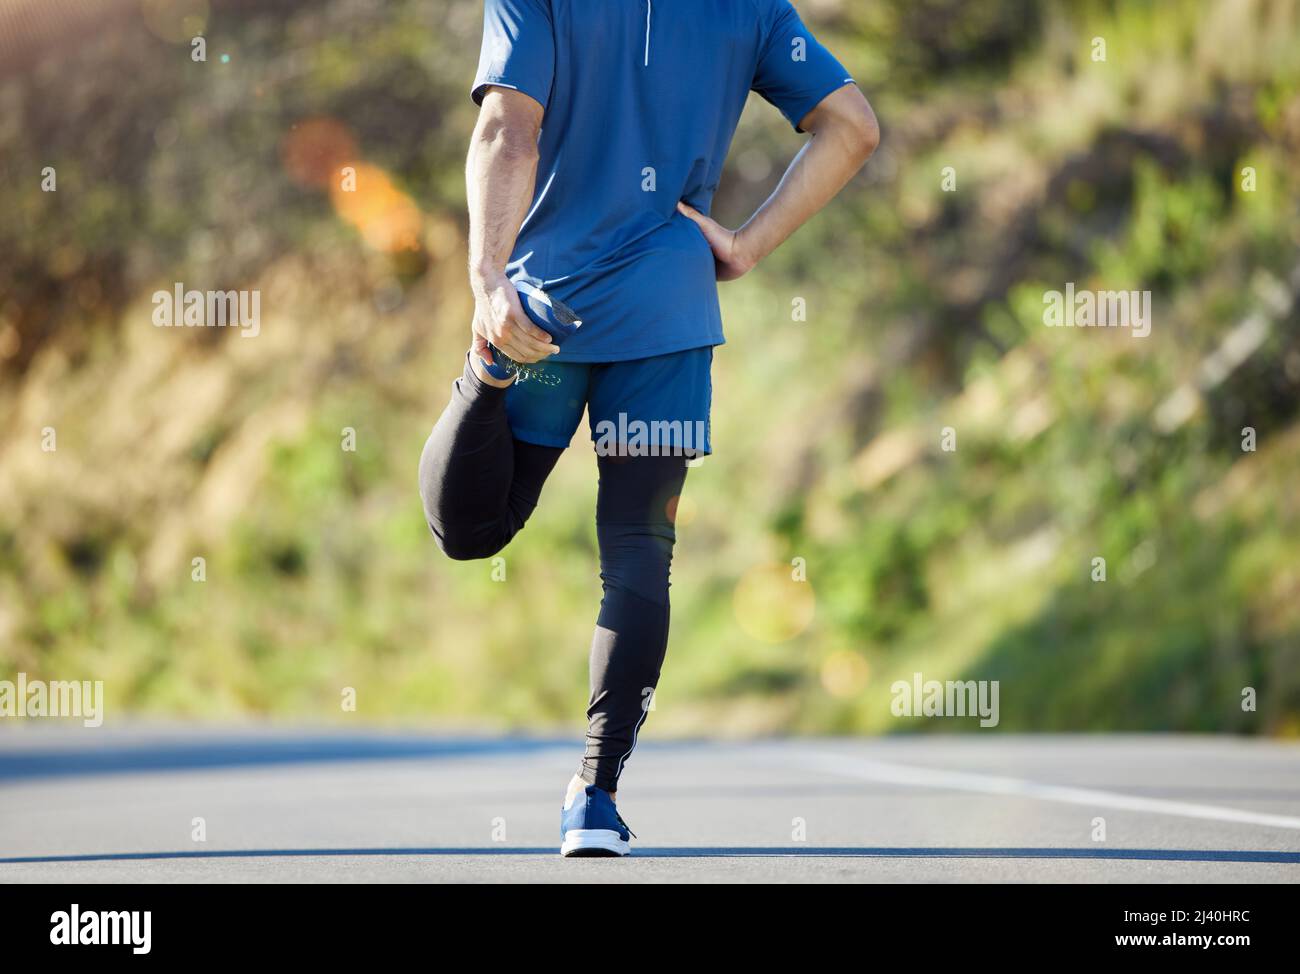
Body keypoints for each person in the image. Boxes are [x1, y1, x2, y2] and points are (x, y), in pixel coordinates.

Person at [419, 0, 878, 857]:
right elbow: (851, 126)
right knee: (637, 550)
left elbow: (505, 130)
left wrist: (488, 283)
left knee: (473, 529)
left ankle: (483, 371)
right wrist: (745, 245)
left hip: (542, 315)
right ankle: (594, 797)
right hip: (667, 310)